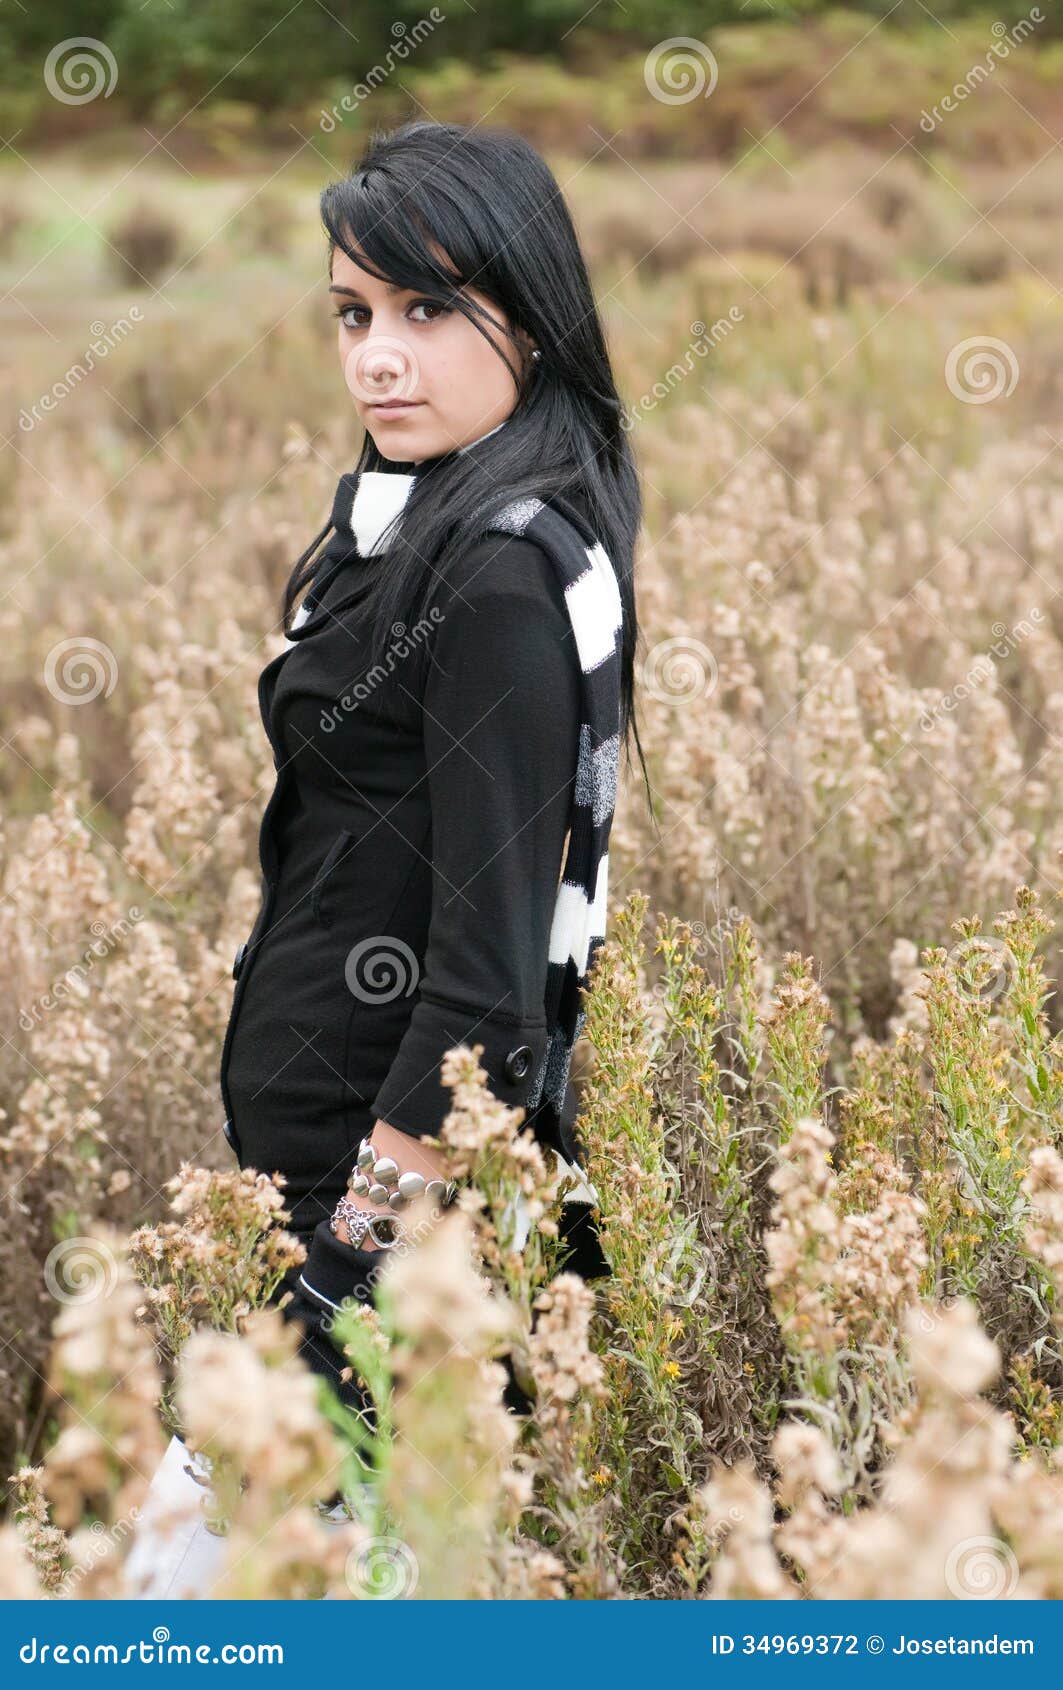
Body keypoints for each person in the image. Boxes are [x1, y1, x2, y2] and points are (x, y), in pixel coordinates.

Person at [218, 118, 648, 1416]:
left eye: (429, 308)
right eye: (353, 314)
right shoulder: (438, 522)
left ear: (532, 319)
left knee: (215, 1538)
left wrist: (340, 1277)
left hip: (384, 1227)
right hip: (328, 1182)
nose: (379, 356)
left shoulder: (500, 574)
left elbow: (481, 1001)